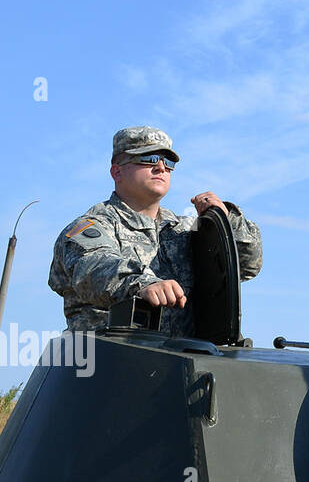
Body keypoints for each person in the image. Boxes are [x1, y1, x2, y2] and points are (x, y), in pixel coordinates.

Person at [48, 126, 263, 337]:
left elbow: (247, 264)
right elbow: (92, 268)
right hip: (110, 361)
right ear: (117, 171)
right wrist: (143, 283)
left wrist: (227, 218)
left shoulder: (185, 229)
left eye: (168, 163)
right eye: (148, 159)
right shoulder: (90, 227)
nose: (161, 168)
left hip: (182, 365)